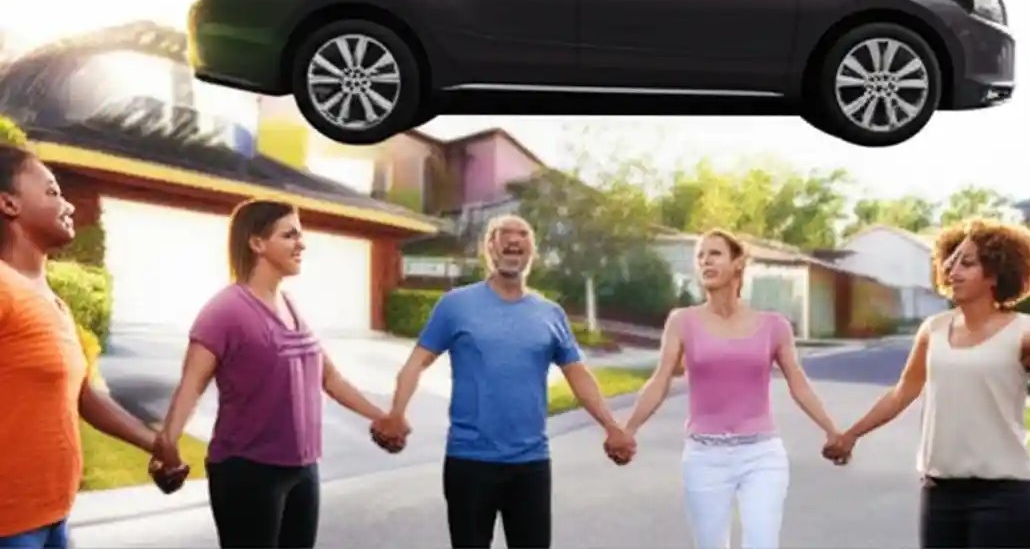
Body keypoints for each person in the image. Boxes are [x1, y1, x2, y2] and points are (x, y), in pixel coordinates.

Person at [826, 217, 1030, 549]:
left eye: (967, 263)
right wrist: (851, 435)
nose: (952, 270)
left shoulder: (1029, 333)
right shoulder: (933, 329)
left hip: (1005, 495)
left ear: (994, 274)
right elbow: (903, 392)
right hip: (941, 494)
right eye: (951, 260)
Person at [370, 214, 634, 549]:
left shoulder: (550, 314)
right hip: (469, 463)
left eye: (522, 234)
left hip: (531, 463)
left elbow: (577, 374)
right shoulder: (456, 305)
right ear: (489, 249)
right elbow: (416, 363)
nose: (513, 241)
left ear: (533, 250)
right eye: (502, 235)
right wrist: (397, 412)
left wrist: (611, 425)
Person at [153, 198, 396, 549]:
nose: (302, 243)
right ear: (257, 243)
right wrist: (168, 444)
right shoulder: (225, 310)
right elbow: (192, 385)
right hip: (248, 471)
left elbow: (330, 379)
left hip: (302, 469)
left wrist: (381, 417)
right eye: (290, 235)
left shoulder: (292, 305)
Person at [0, 143, 188, 549]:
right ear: (8, 203)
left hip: (53, 517)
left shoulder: (54, 303)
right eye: (52, 192)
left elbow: (83, 396)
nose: (68, 205)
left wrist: (158, 445)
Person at [615, 228, 845, 549]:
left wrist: (832, 430)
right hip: (704, 455)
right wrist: (627, 430)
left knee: (762, 543)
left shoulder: (773, 325)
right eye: (700, 256)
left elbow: (799, 383)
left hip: (761, 454)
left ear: (738, 263)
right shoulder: (682, 321)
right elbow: (660, 379)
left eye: (715, 253)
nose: (705, 261)